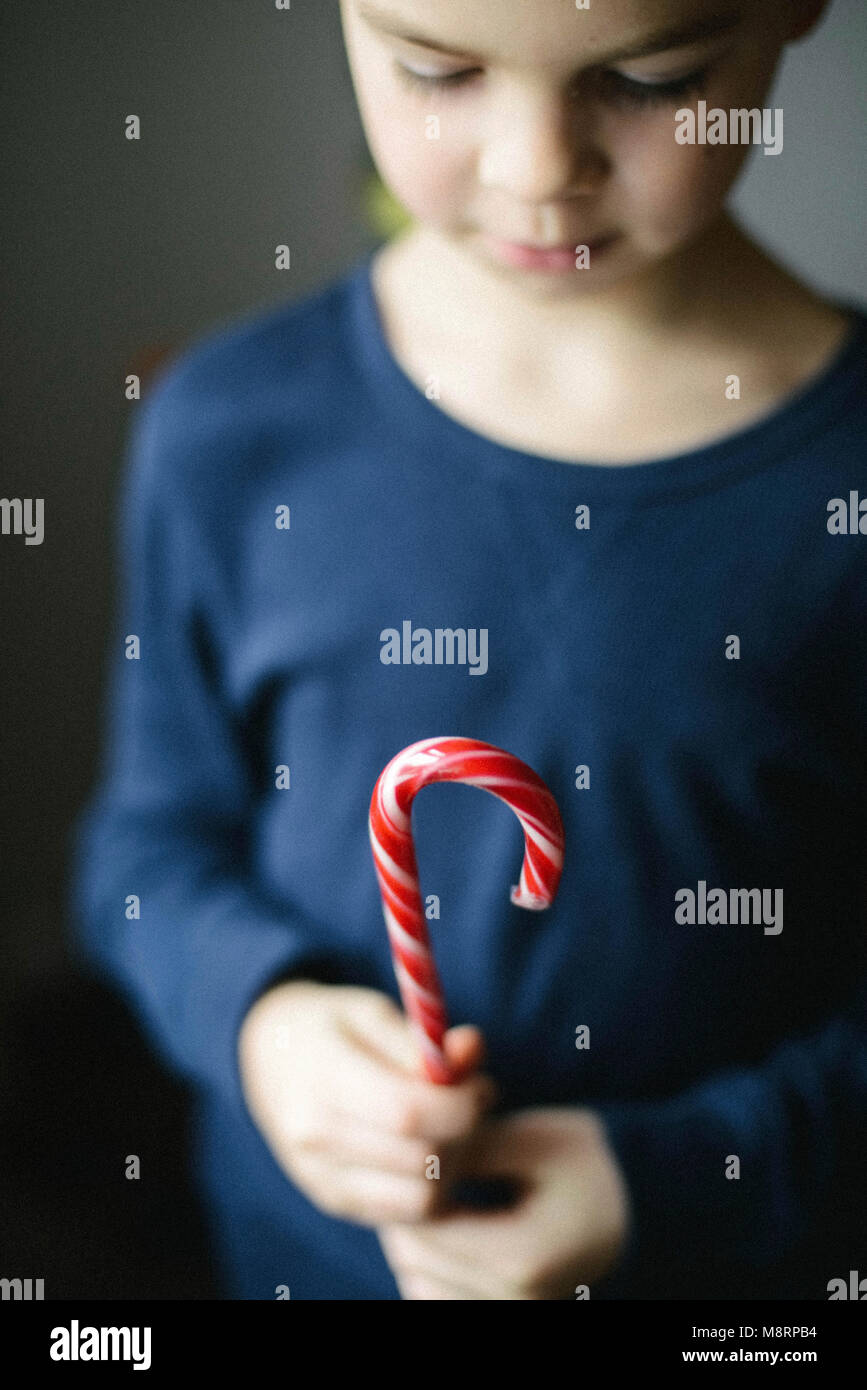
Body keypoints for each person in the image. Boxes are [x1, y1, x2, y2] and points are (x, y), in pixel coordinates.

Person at [72, 0, 867, 1299]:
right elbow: (142, 850)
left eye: (652, 76)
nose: (536, 166)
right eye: (436, 68)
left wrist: (674, 1173)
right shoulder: (226, 434)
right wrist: (262, 1022)